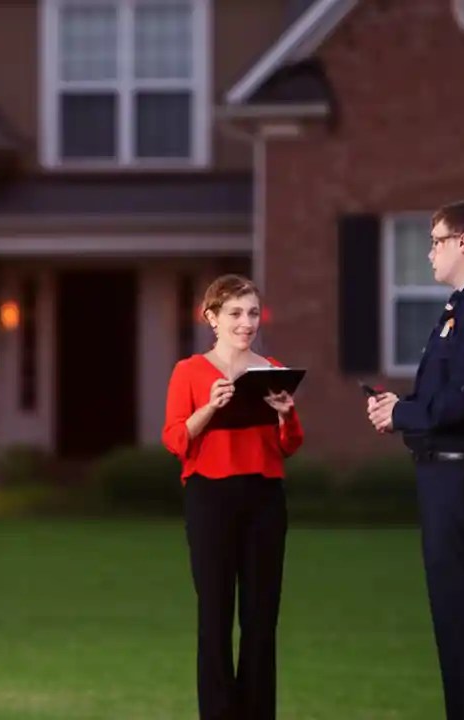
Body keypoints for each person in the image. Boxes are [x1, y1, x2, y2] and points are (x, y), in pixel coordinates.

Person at [366, 201, 464, 720]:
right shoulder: (459, 310)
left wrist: (404, 412)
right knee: (454, 621)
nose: (429, 251)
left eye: (436, 240)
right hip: (444, 476)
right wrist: (405, 413)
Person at [161, 274, 304, 720]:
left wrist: (285, 416)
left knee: (262, 619)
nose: (247, 323)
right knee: (216, 617)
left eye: (253, 313)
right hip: (211, 498)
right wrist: (209, 407)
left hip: (264, 498)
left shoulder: (271, 369)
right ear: (212, 318)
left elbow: (288, 445)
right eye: (236, 313)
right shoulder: (189, 371)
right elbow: (174, 440)